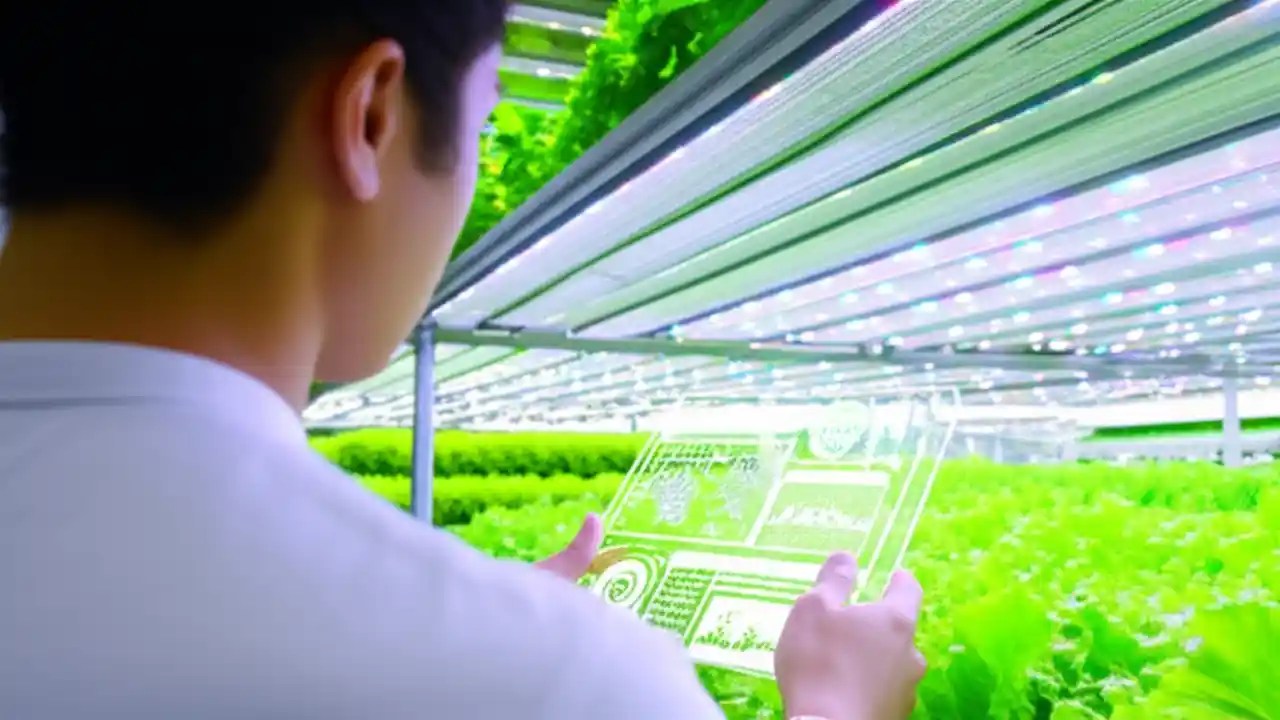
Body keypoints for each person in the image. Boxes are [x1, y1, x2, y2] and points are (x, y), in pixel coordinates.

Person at [0, 2, 927, 718]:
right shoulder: (570, 685)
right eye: (483, 124)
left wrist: (467, 613)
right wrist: (838, 704)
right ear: (368, 115)